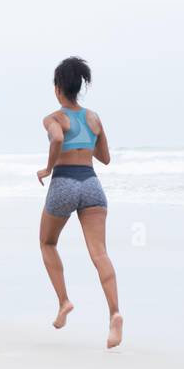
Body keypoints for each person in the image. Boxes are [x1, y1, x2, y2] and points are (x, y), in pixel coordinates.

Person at [35, 57, 122, 348]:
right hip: (91, 184)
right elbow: (105, 158)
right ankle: (115, 314)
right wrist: (85, 143)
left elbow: (57, 139)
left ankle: (64, 302)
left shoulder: (53, 118)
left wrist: (48, 168)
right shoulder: (94, 118)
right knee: (100, 253)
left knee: (47, 243)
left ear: (58, 88)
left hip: (65, 183)